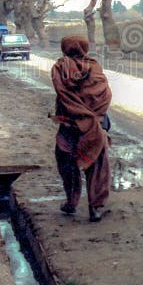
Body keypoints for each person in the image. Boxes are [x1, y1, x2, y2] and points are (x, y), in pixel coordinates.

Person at [50, 35, 112, 222]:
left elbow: (63, 95)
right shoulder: (95, 67)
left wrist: (79, 112)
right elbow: (105, 94)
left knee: (66, 162)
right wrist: (94, 115)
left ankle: (71, 202)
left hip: (70, 123)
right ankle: (95, 208)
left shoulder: (60, 67)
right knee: (98, 166)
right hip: (94, 126)